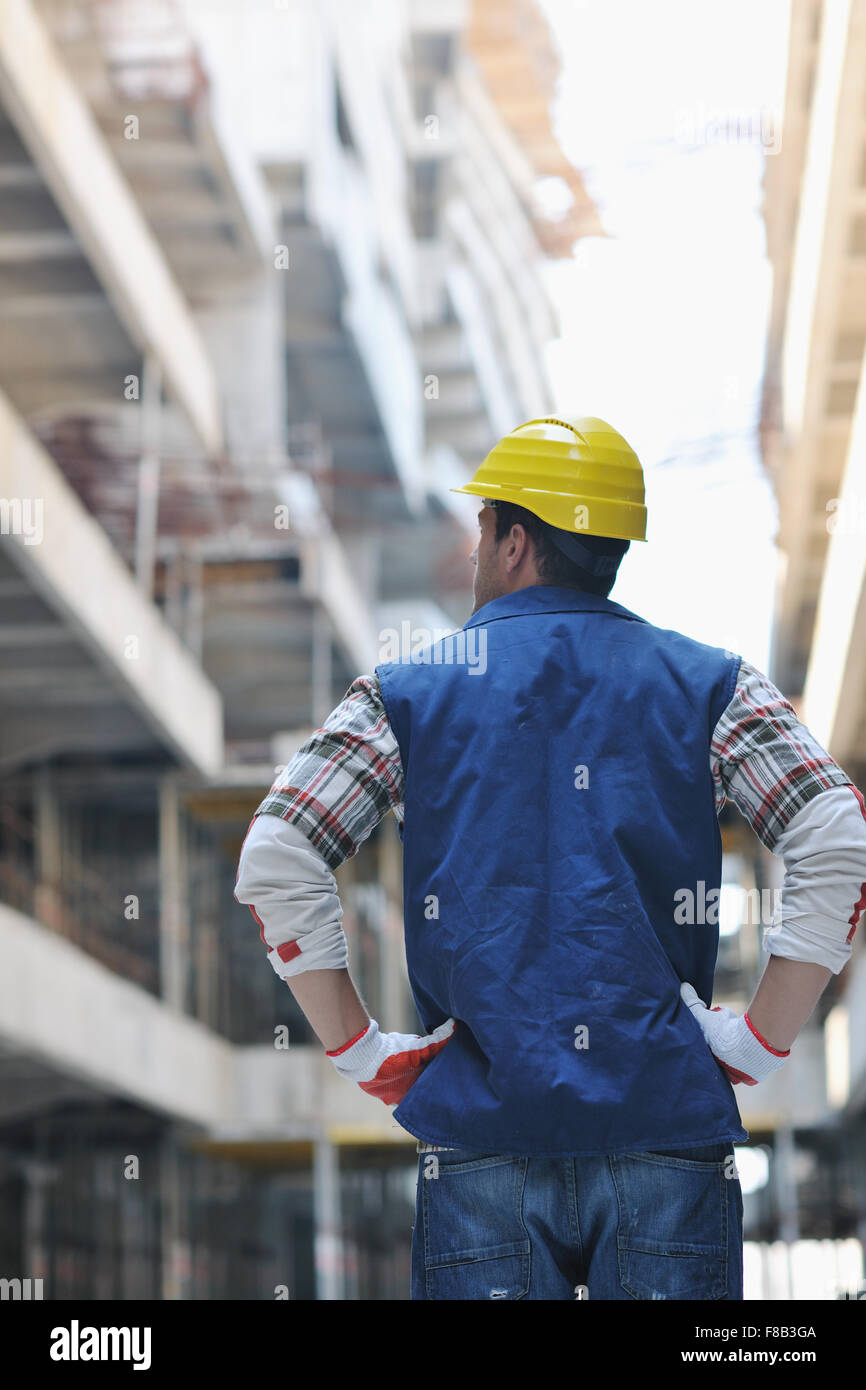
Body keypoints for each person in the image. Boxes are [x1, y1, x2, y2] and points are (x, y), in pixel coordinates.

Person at [235, 415, 866, 1300]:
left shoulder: (405, 695)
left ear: (517, 541)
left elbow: (277, 852)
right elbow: (835, 831)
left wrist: (362, 1052)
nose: (474, 555)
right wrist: (761, 1040)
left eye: (484, 530)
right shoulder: (710, 684)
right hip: (667, 1134)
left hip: (481, 1145)